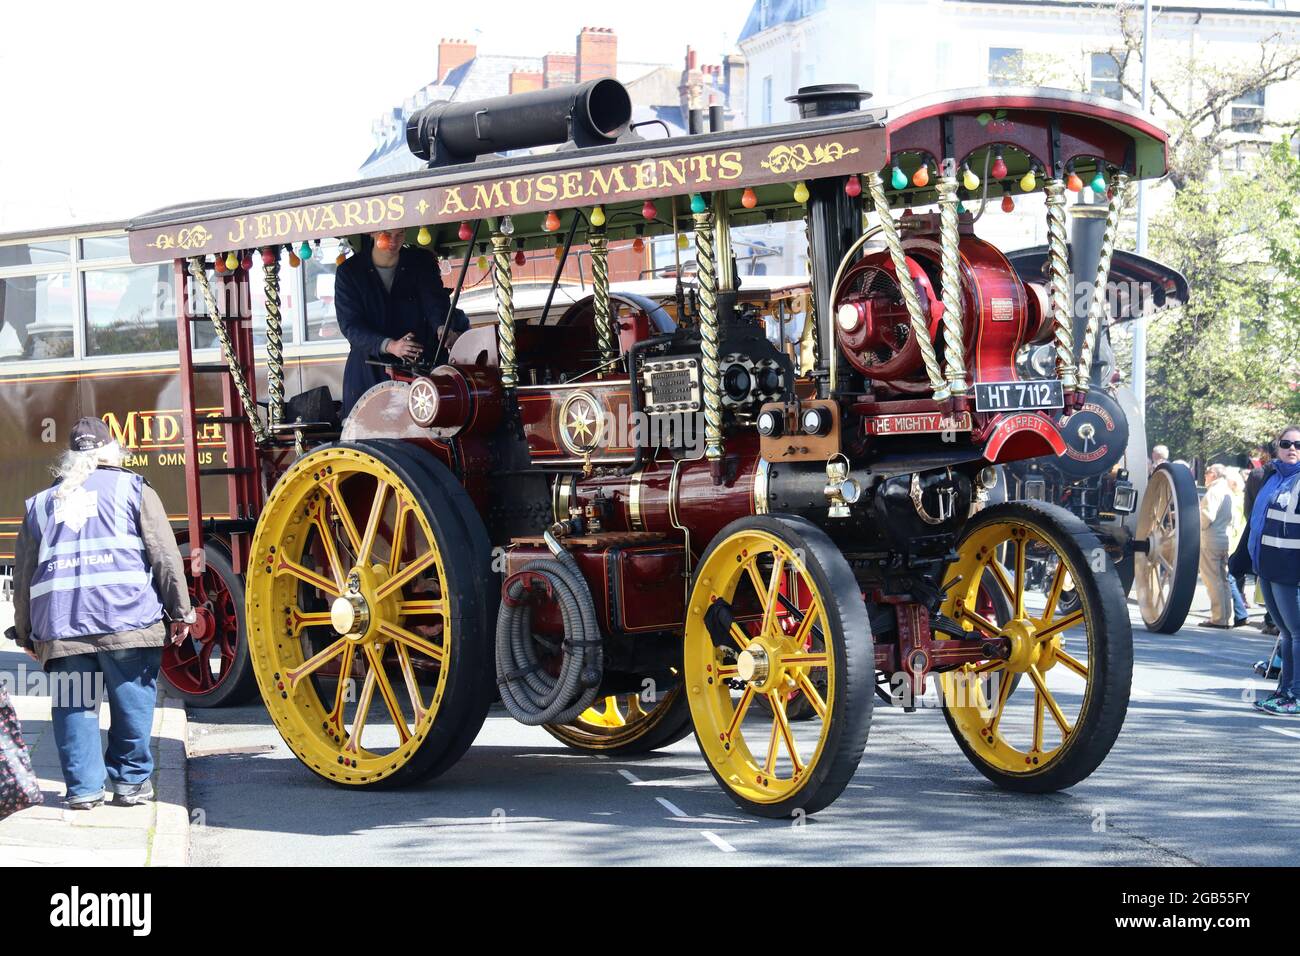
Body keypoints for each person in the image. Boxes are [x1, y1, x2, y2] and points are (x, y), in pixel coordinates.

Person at [9, 418, 195, 808]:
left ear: (70, 458)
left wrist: (25, 633)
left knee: (74, 707)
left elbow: (24, 577)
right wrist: (181, 611)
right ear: (112, 450)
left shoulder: (41, 504)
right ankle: (129, 784)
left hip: (62, 628)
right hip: (126, 621)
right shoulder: (134, 489)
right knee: (132, 704)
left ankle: (83, 789)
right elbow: (163, 556)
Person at [334, 227, 469, 418]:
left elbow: (434, 301)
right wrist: (390, 345)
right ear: (371, 232)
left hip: (419, 367)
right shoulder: (349, 272)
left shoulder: (419, 261)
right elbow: (351, 325)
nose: (393, 241)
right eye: (386, 235)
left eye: (400, 234)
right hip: (369, 372)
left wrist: (442, 327)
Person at [1249, 425, 1300, 715]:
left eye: (1298, 444)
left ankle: (1296, 695)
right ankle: (1284, 691)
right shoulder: (1273, 477)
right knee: (1286, 632)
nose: (1292, 448)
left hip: (1291, 568)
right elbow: (1257, 521)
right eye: (1286, 443)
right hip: (1267, 566)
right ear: (1277, 447)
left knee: (1297, 632)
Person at [1198, 463, 1235, 628]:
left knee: (1212, 579)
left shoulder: (1214, 491)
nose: (1205, 475)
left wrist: (1195, 521)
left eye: (1207, 472)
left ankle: (1218, 617)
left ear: (1213, 474)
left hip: (1211, 538)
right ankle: (1227, 616)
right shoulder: (1227, 490)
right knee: (1223, 580)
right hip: (1223, 537)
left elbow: (1207, 517)